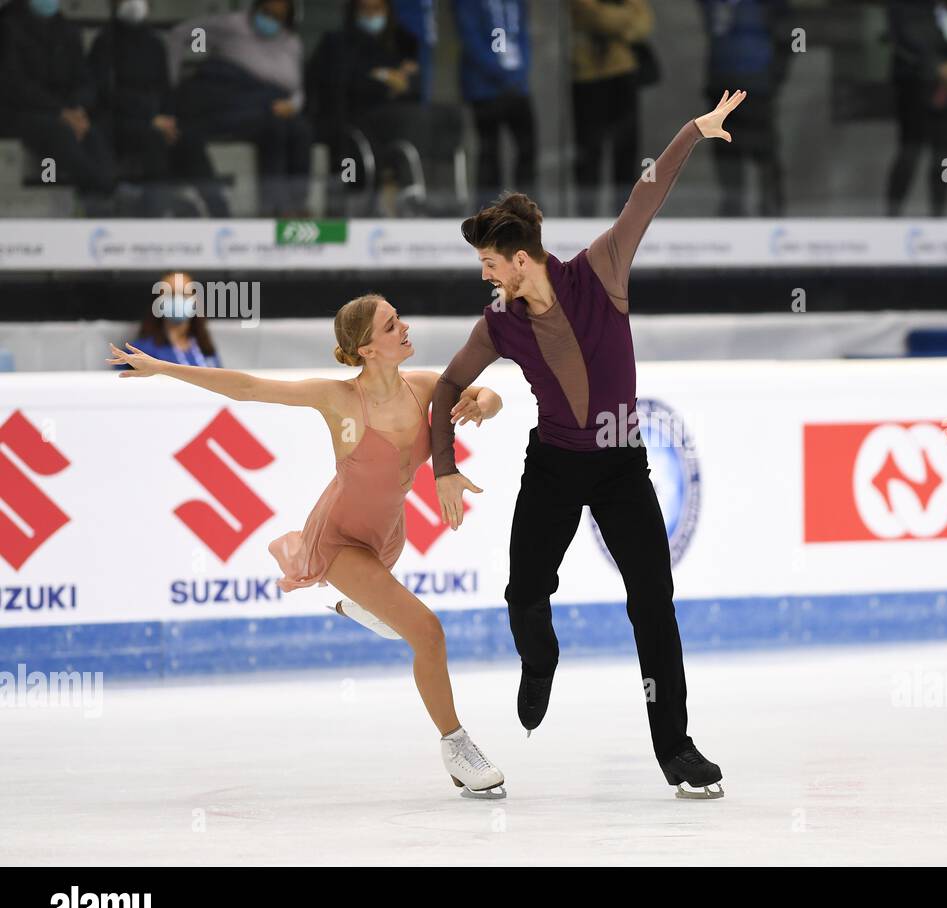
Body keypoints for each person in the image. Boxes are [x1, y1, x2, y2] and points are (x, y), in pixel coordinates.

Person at [428, 91, 748, 799]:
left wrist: (692, 130)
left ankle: (677, 749)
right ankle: (539, 661)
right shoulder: (500, 323)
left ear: (518, 259)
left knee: (653, 602)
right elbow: (446, 389)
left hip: (621, 466)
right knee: (525, 593)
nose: (483, 274)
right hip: (553, 467)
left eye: (488, 263)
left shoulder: (599, 270)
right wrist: (443, 467)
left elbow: (647, 195)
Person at [103, 296, 508, 798]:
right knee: (426, 632)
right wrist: (163, 368)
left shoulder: (422, 386)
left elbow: (488, 394)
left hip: (388, 535)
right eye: (390, 325)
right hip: (340, 539)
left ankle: (357, 606)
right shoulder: (339, 399)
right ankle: (457, 747)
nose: (403, 326)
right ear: (366, 348)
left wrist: (482, 405)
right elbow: (250, 387)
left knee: (394, 614)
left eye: (398, 318)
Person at [88, 0, 230, 217]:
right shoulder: (104, 43)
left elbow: (166, 90)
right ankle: (156, 215)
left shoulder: (155, 44)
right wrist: (150, 117)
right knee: (153, 139)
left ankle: (222, 216)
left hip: (158, 120)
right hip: (119, 123)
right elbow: (105, 94)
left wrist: (168, 119)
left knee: (190, 139)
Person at [171, 0, 312, 217]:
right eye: (267, 12)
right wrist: (171, 82)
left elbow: (299, 90)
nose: (271, 20)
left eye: (278, 16)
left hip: (276, 105)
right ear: (257, 8)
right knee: (275, 126)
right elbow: (182, 34)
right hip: (234, 104)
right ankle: (272, 210)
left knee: (300, 130)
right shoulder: (233, 25)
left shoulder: (292, 43)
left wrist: (292, 105)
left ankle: (296, 206)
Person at [308, 0, 443, 214]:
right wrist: (386, 79)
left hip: (393, 123)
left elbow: (413, 87)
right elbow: (339, 85)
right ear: (354, 11)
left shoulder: (403, 41)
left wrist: (393, 81)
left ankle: (408, 189)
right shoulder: (337, 43)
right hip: (349, 121)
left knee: (426, 117)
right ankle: (393, 186)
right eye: (365, 9)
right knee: (402, 121)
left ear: (388, 11)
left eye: (377, 9)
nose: (372, 16)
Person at [0, 0, 117, 211]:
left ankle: (108, 192)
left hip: (66, 111)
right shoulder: (7, 26)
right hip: (18, 112)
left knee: (95, 130)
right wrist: (60, 111)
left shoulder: (67, 29)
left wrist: (78, 108)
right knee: (59, 132)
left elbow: (84, 79)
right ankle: (103, 189)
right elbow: (13, 84)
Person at [698, 0, 790, 217]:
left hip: (756, 84)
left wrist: (774, 76)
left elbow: (787, 34)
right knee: (727, 151)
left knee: (764, 149)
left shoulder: (767, 7)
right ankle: (732, 209)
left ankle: (772, 210)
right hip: (721, 83)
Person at [884, 0, 947, 217]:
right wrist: (935, 67)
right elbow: (905, 37)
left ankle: (939, 212)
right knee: (910, 152)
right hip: (914, 86)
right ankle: (892, 214)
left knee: (945, 156)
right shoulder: (905, 7)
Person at [568, 0, 652, 217]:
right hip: (588, 77)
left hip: (623, 74)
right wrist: (624, 20)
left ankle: (624, 222)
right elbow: (593, 16)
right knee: (589, 156)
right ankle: (585, 218)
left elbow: (644, 23)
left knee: (626, 154)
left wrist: (615, 21)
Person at [452, 0, 537, 211]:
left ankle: (525, 208)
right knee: (489, 151)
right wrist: (500, 72)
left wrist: (520, 70)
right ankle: (489, 211)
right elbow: (470, 39)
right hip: (484, 87)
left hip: (517, 86)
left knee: (528, 146)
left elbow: (523, 35)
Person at [115, 272, 223, 368]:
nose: (178, 300)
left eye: (185, 294)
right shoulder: (141, 352)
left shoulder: (205, 348)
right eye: (170, 294)